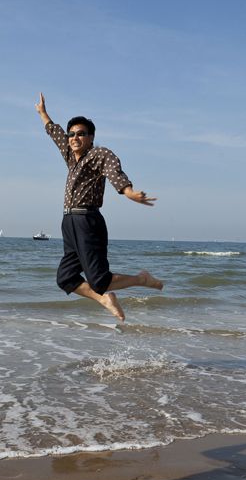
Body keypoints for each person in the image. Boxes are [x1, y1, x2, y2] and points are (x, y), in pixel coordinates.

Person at [34, 93, 163, 321]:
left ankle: (141, 279)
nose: (74, 137)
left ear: (91, 137)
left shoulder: (99, 154)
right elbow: (54, 133)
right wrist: (43, 113)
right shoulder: (71, 156)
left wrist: (129, 192)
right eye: (72, 134)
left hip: (88, 221)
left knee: (99, 280)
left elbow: (114, 171)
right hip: (68, 222)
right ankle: (104, 298)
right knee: (66, 279)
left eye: (81, 134)